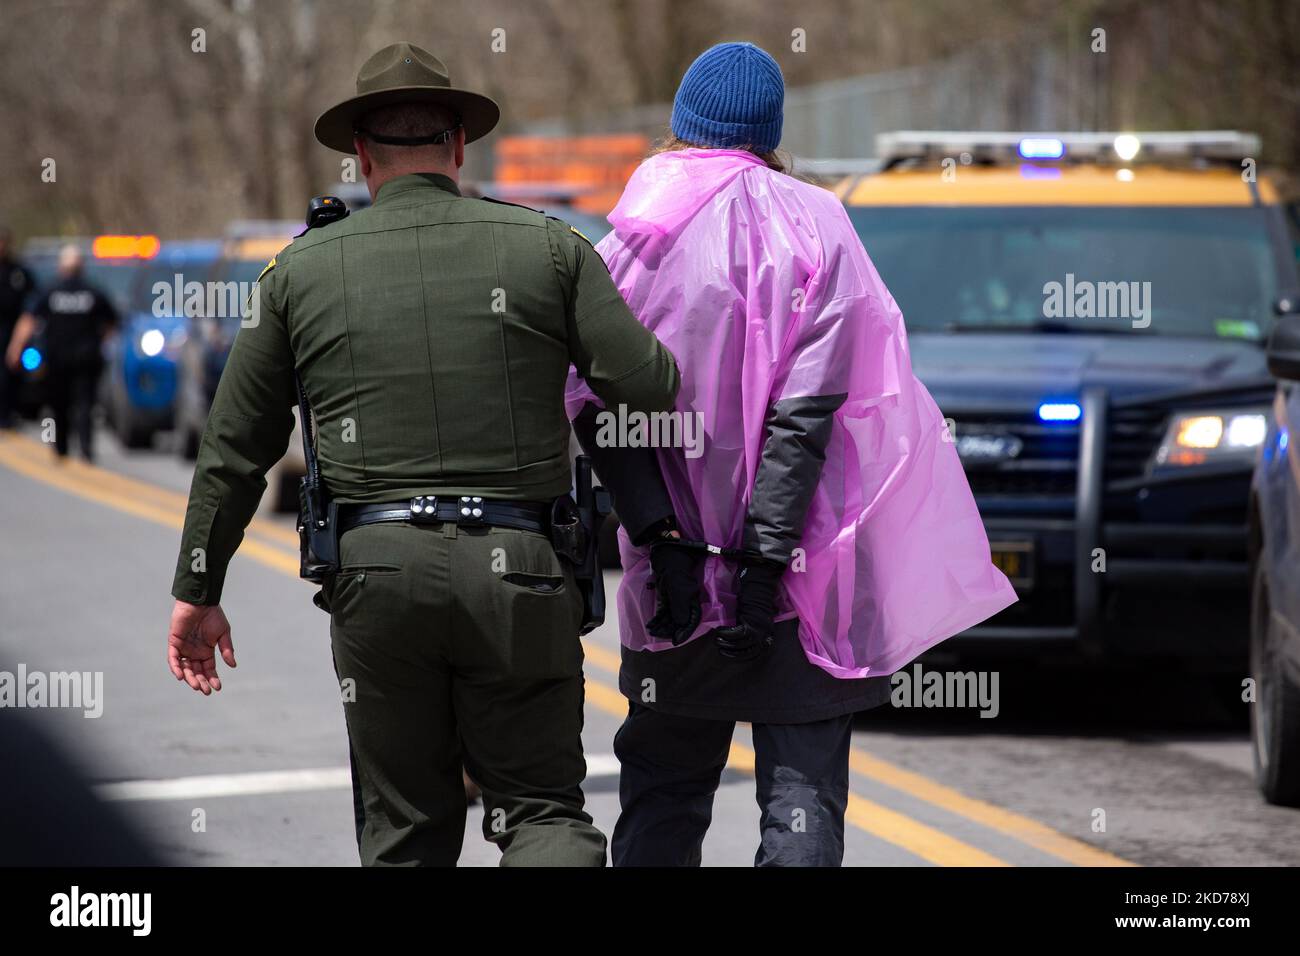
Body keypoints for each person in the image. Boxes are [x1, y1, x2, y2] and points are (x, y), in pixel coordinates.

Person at [163, 42, 679, 867]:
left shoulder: (297, 271)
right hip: (524, 570)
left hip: (376, 576)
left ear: (361, 156)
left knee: (405, 830)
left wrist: (198, 586)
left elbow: (234, 448)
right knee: (543, 811)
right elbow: (648, 389)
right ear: (459, 147)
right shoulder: (548, 249)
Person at [567, 42, 1017, 866]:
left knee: (663, 795)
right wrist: (763, 568)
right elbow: (805, 417)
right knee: (801, 801)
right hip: (805, 585)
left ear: (681, 124)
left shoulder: (629, 237)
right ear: (770, 131)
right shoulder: (822, 225)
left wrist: (667, 544)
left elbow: (596, 407)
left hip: (669, 587)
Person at [5, 244, 117, 460]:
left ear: (61, 268)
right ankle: (85, 449)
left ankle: (61, 447)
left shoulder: (51, 291)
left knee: (59, 405)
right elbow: (111, 323)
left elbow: (28, 320)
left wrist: (15, 347)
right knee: (84, 405)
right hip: (85, 359)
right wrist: (100, 343)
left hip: (59, 359)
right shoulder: (93, 292)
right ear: (81, 268)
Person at [0, 227, 36, 428]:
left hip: (12, 330)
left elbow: (31, 306)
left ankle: (8, 414)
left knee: (11, 373)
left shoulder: (18, 272)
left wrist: (19, 339)